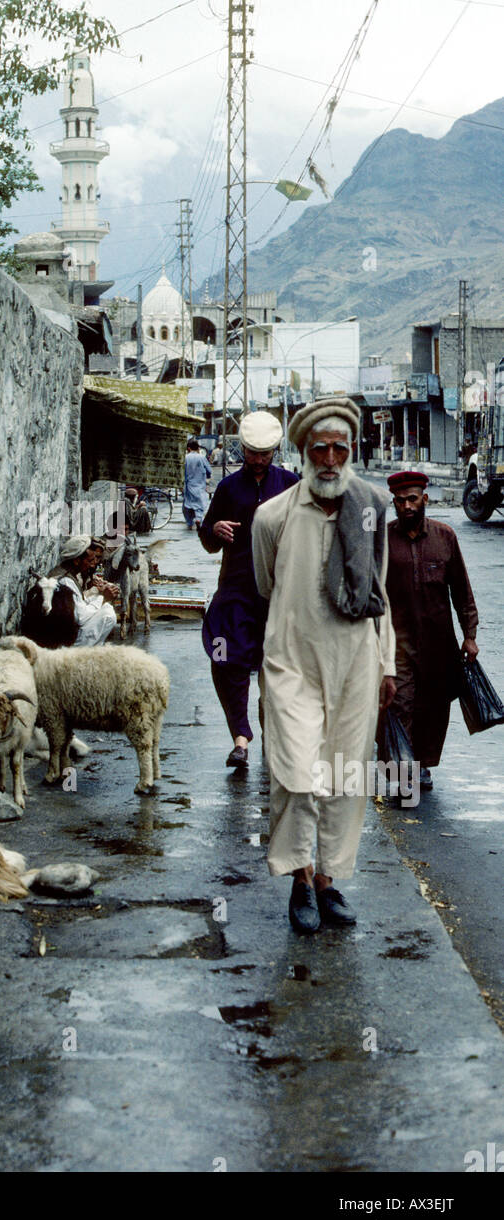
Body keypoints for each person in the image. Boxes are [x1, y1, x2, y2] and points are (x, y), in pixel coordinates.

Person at [251, 397, 397, 934]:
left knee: (345, 774)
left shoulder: (372, 508)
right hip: (292, 662)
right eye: (321, 449)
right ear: (305, 453)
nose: (331, 459)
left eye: (341, 448)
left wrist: (387, 663)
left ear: (352, 450)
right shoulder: (272, 516)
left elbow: (378, 592)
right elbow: (267, 586)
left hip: (356, 663)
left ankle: (329, 881)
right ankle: (298, 876)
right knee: (295, 772)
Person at [198, 411, 298, 768]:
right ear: (242, 449)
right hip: (237, 591)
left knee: (279, 669)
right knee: (227, 661)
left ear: (275, 450)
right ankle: (240, 739)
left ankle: (275, 739)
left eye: (265, 454)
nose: (258, 461)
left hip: (280, 594)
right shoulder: (227, 488)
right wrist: (215, 530)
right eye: (252, 453)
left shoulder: (291, 484)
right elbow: (208, 538)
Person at [384, 470, 479, 791]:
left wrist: (469, 635)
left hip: (439, 643)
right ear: (394, 503)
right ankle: (401, 768)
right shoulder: (383, 541)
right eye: (400, 501)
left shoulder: (445, 537)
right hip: (397, 643)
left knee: (434, 706)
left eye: (412, 499)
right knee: (400, 703)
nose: (407, 506)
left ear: (425, 499)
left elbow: (462, 591)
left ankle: (423, 764)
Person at [49, 535, 119, 646]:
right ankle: (83, 651)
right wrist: (103, 597)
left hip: (66, 630)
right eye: (90, 560)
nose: (93, 564)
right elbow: (81, 617)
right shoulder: (65, 581)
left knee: (106, 607)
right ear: (77, 561)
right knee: (108, 615)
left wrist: (99, 594)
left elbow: (78, 604)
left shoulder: (68, 575)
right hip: (63, 640)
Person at [183, 439, 211, 530]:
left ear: (188, 448)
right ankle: (198, 518)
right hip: (200, 485)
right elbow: (209, 470)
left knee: (188, 505)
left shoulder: (186, 458)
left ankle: (189, 522)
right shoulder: (202, 457)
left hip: (189, 485)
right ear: (198, 448)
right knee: (200, 504)